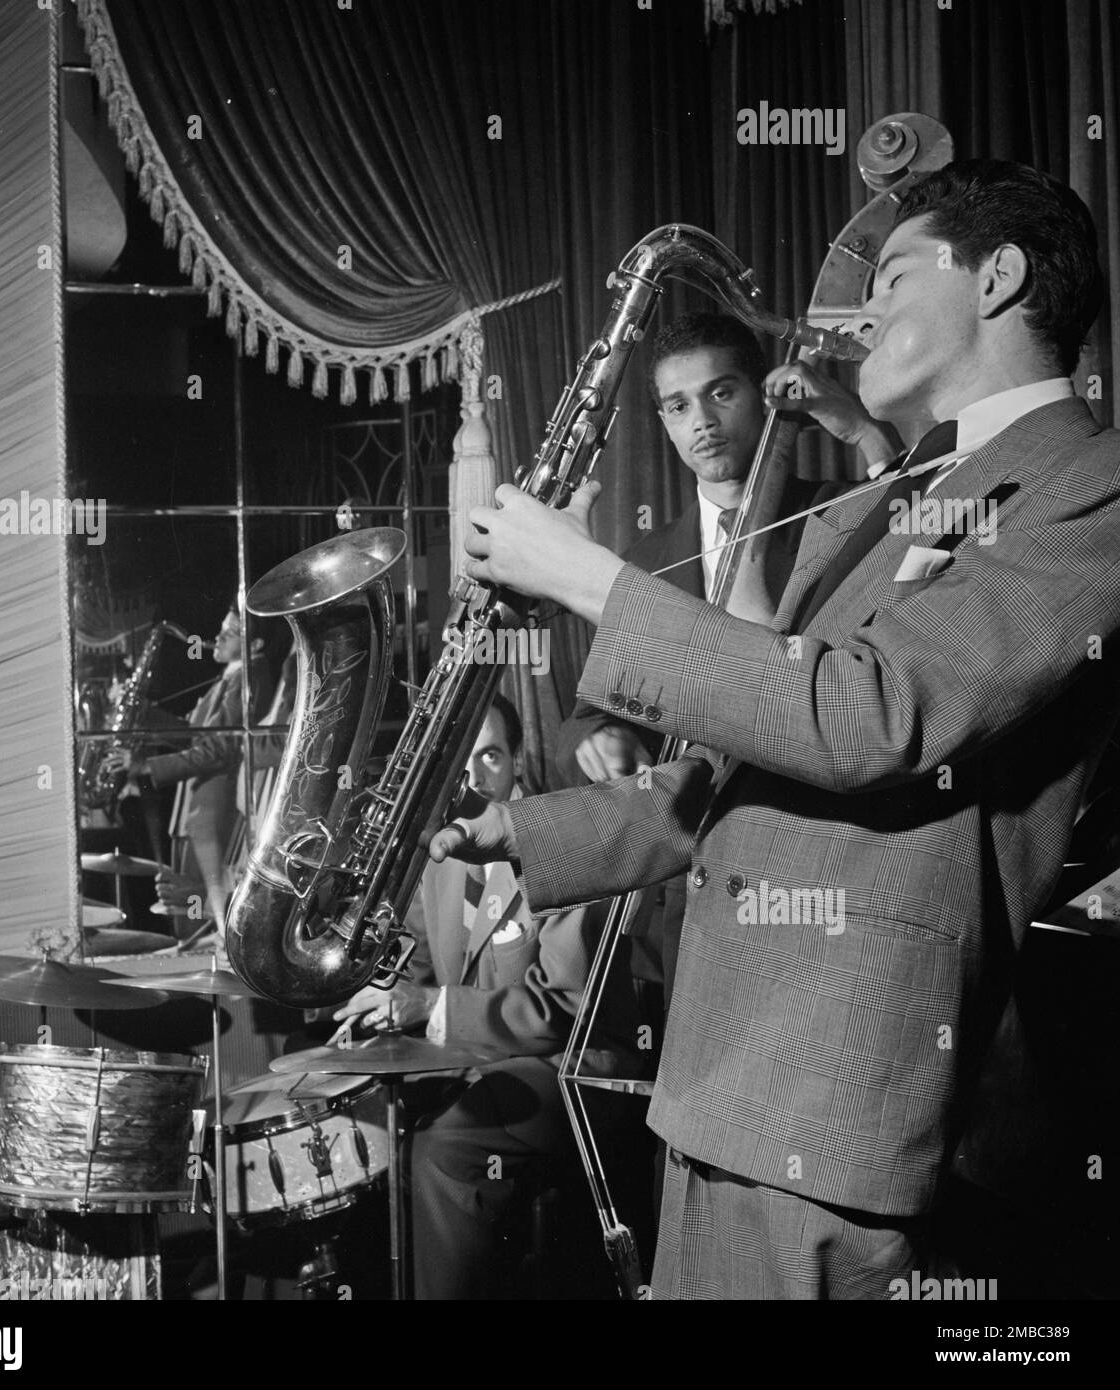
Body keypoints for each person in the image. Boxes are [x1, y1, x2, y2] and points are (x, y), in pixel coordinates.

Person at [434, 159, 1117, 1298]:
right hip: (730, 1077)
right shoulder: (892, 495)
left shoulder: (1087, 489)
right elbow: (745, 759)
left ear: (996, 277)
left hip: (837, 1094)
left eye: (895, 273)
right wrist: (526, 831)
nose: (864, 311)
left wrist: (591, 578)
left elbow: (869, 714)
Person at [556, 310, 899, 1012]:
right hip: (684, 902)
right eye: (678, 406)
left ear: (765, 393)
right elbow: (586, 713)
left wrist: (864, 431)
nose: (701, 422)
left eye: (722, 393)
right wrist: (599, 738)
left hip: (813, 881)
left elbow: (923, 535)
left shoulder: (837, 517)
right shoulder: (646, 564)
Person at [333, 693, 639, 1300]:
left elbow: (563, 1009)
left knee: (443, 1149)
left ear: (518, 762)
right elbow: (415, 960)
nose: (473, 779)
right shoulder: (441, 857)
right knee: (354, 1122)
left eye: (491, 757)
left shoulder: (560, 846)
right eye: (460, 762)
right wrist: (378, 999)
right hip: (480, 1059)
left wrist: (428, 1009)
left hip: (571, 1069)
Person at [105, 604, 271, 936]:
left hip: (213, 809)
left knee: (208, 914)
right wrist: (148, 714)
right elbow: (193, 732)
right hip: (197, 809)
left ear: (255, 646)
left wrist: (145, 765)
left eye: (230, 632)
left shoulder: (246, 682)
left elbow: (218, 749)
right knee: (190, 911)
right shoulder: (228, 679)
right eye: (222, 629)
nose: (218, 637)